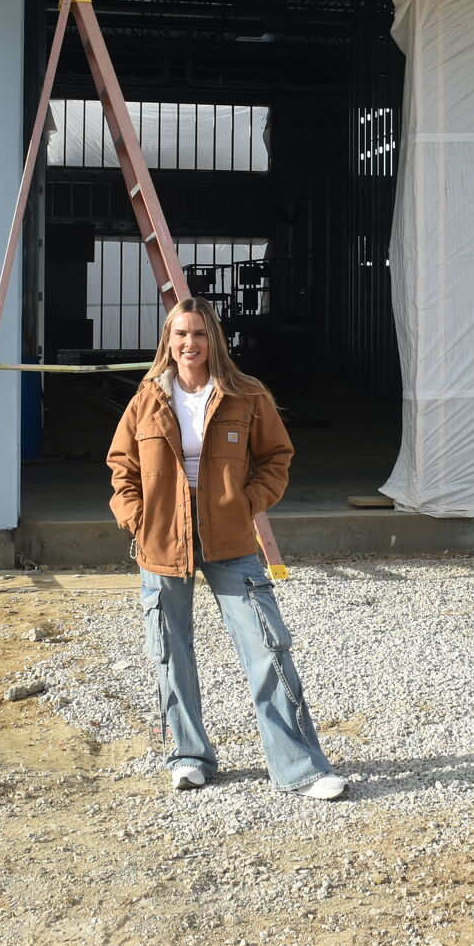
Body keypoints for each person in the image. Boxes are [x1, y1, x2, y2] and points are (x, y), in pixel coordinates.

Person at [107, 297, 347, 799]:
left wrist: (247, 503)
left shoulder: (246, 394)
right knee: (170, 652)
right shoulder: (147, 398)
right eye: (180, 334)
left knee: (267, 646)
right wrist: (136, 519)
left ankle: (299, 768)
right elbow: (121, 466)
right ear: (168, 341)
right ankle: (188, 757)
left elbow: (277, 457)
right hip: (162, 540)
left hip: (231, 537)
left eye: (199, 333)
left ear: (214, 339)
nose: (189, 343)